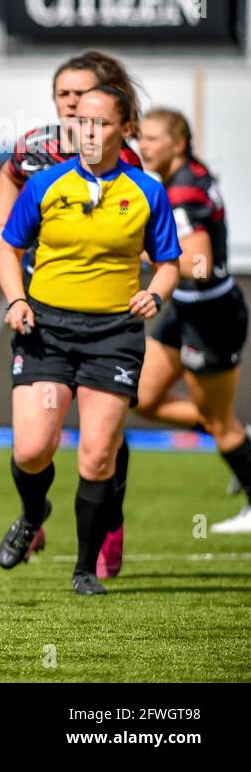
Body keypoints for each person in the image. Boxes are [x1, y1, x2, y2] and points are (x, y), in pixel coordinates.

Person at [0, 86, 180, 596]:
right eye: (82, 122)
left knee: (97, 456)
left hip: (113, 336)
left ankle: (83, 569)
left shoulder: (146, 191)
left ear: (125, 131)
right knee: (33, 450)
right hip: (46, 331)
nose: (90, 132)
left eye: (101, 123)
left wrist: (156, 295)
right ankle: (34, 513)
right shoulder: (46, 184)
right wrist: (16, 300)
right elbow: (8, 248)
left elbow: (168, 263)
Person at [135, 108, 251, 534]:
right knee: (142, 397)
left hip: (211, 314)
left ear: (178, 144)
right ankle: (240, 437)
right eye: (141, 138)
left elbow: (198, 264)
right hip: (184, 308)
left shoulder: (183, 191)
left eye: (152, 139)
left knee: (219, 424)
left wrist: (138, 249)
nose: (143, 147)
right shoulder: (188, 174)